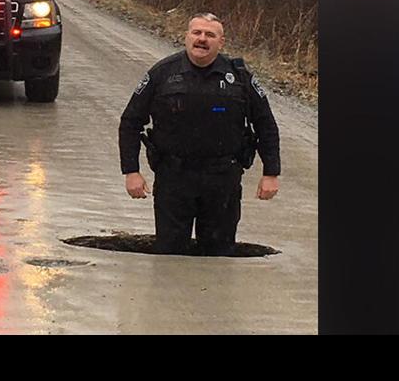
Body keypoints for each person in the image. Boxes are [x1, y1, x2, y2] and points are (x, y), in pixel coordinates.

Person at [118, 13, 281, 255]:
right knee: (170, 256)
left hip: (222, 180)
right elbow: (130, 122)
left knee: (219, 256)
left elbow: (265, 124)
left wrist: (271, 173)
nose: (202, 39)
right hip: (174, 178)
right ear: (186, 37)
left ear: (221, 42)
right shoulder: (162, 74)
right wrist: (131, 171)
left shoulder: (239, 77)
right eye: (197, 33)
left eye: (210, 35)